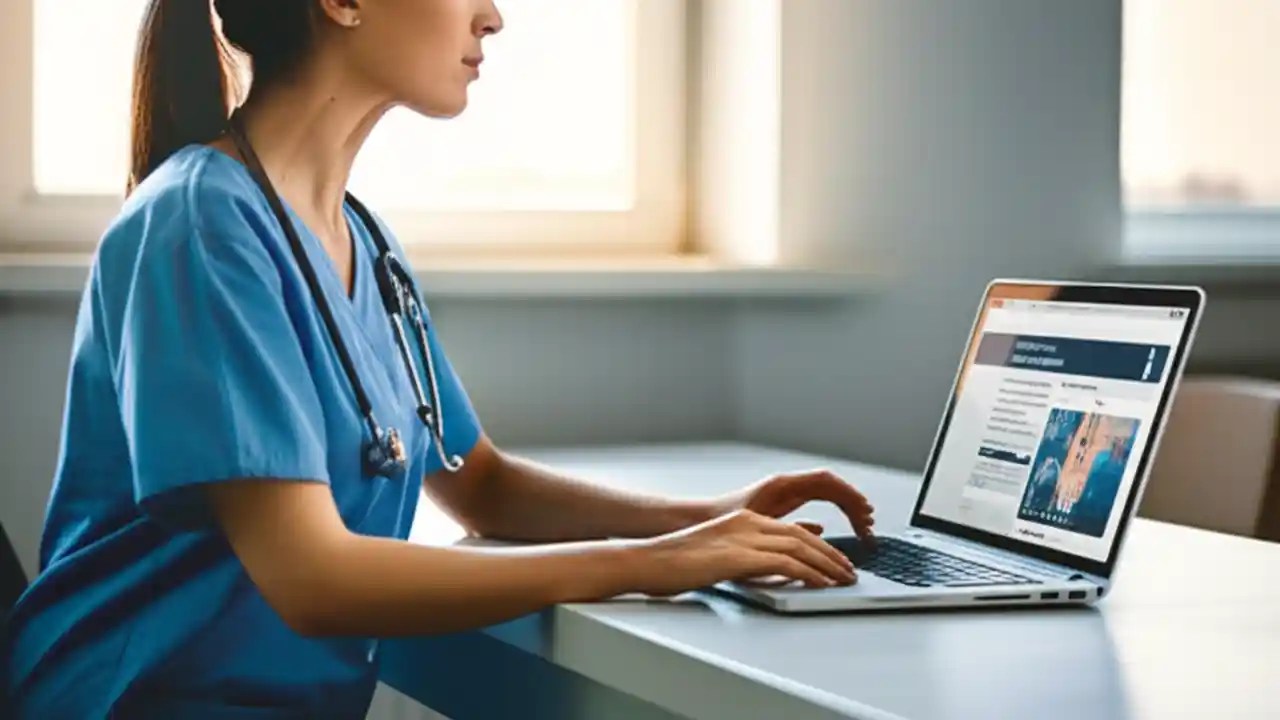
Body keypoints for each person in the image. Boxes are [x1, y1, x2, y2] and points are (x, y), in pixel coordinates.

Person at [0, 1, 875, 717]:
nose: (491, 17)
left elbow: (481, 482)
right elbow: (314, 578)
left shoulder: (364, 241)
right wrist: (653, 566)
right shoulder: (198, 224)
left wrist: (712, 517)